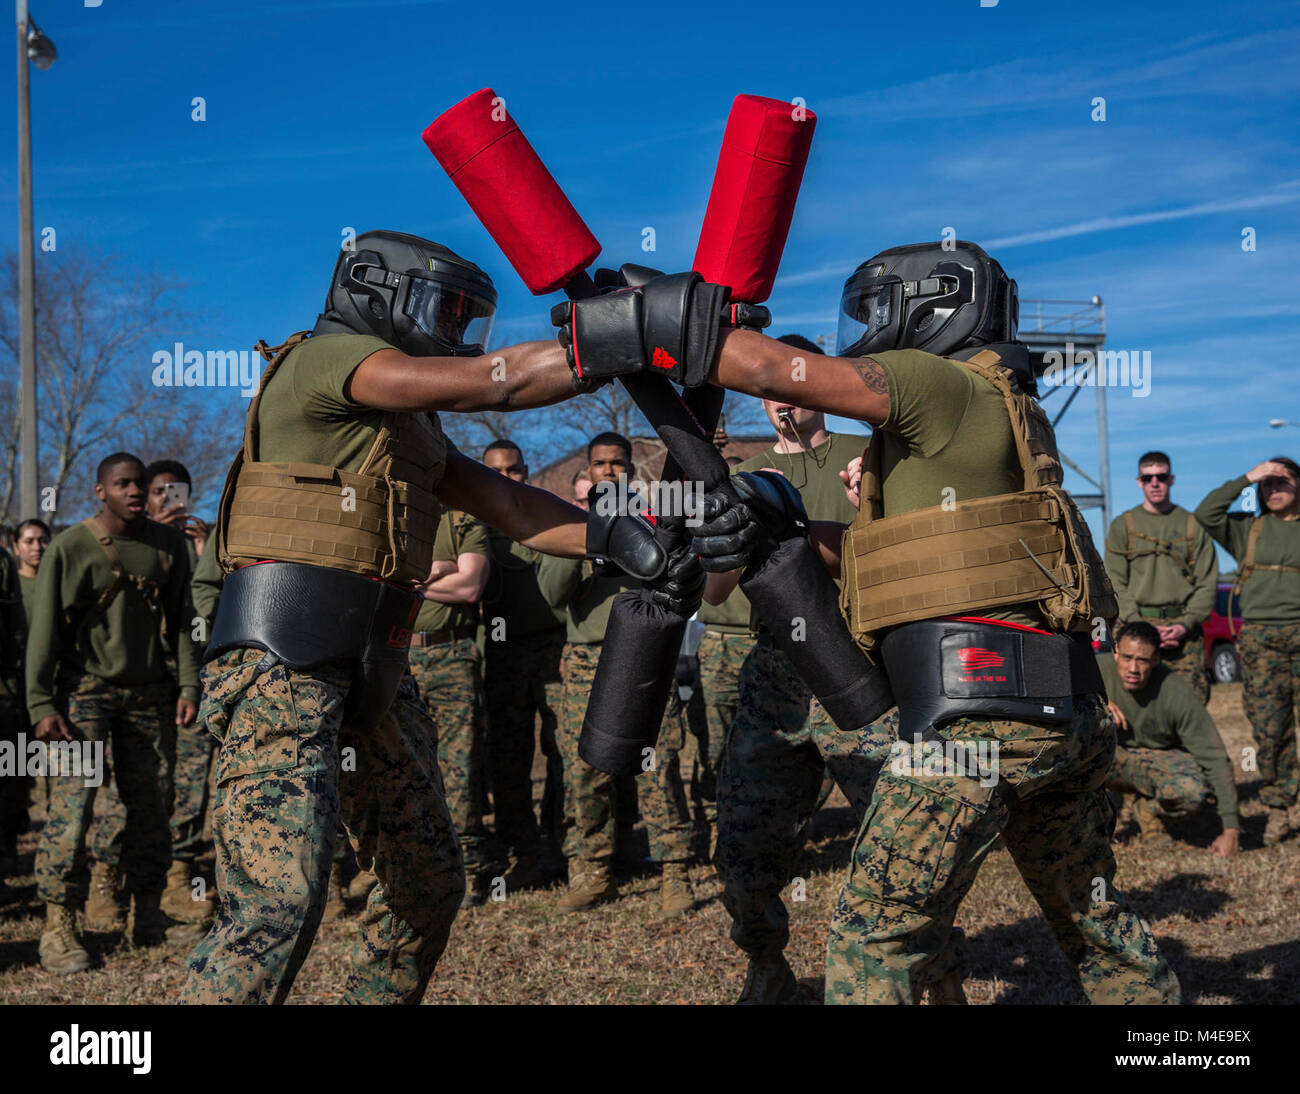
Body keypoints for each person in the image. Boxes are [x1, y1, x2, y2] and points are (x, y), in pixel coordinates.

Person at [557, 241, 1179, 1004]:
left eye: (876, 309)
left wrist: (642, 315)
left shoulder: (935, 381)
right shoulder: (1007, 405)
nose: (869, 329)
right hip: (1054, 702)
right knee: (1094, 922)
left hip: (975, 717)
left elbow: (757, 367)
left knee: (874, 931)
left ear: (931, 306)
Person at [181, 230, 696, 1004]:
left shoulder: (409, 426)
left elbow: (513, 506)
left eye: (468, 319)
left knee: (426, 884)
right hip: (279, 665)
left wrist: (619, 539)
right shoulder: (330, 358)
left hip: (375, 668)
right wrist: (623, 338)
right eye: (445, 311)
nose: (456, 333)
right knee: (275, 905)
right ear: (375, 291)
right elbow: (497, 381)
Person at [699, 352, 891, 1004]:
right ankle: (765, 966)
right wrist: (727, 537)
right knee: (744, 845)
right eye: (770, 393)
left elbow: (887, 554)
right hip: (774, 672)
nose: (782, 401)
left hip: (860, 663)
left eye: (792, 387)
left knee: (898, 841)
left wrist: (804, 533)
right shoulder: (748, 473)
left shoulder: (867, 455)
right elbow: (716, 593)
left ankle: (921, 974)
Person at [26, 453, 200, 973]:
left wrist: (189, 683)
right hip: (84, 694)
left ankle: (147, 914)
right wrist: (40, 702)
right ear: (99, 490)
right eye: (122, 484)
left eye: (139, 484)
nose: (133, 491)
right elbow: (44, 630)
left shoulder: (168, 545)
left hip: (149, 693)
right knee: (71, 809)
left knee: (151, 805)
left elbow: (186, 618)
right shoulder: (70, 546)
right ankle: (59, 926)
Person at [537, 432, 696, 916]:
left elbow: (678, 580)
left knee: (658, 763)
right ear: (587, 472)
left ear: (630, 468)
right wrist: (590, 539)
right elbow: (550, 593)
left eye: (618, 463)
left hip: (644, 652)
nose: (609, 471)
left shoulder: (652, 518)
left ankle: (675, 873)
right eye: (600, 464)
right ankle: (594, 871)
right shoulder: (569, 521)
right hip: (586, 658)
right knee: (585, 770)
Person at [92, 460, 220, 930]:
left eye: (175, 490)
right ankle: (107, 880)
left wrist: (202, 551)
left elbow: (208, 613)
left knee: (187, 781)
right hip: (139, 678)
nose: (166, 499)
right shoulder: (128, 541)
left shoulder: (200, 543)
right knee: (129, 784)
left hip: (190, 675)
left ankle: (177, 877)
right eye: (157, 491)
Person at [1196, 456, 1300, 845]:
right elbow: (1207, 512)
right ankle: (1279, 810)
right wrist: (1247, 477)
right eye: (1267, 485)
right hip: (1260, 641)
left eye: (1283, 482)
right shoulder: (1248, 530)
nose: (1274, 490)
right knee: (1270, 730)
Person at [479, 439, 567, 888]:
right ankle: (522, 853)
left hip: (553, 650)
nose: (506, 478)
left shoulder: (547, 514)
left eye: (514, 470)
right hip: (503, 655)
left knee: (562, 755)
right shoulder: (476, 527)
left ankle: (559, 847)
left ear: (526, 470)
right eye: (496, 471)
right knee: (509, 761)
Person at [405, 507, 500, 906]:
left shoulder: (464, 520)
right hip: (398, 657)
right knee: (403, 767)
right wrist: (435, 572)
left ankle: (469, 872)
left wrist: (410, 581)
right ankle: (413, 870)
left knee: (459, 768)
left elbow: (469, 587)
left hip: (452, 653)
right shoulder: (391, 514)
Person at [1101, 621, 1239, 854]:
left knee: (1192, 790)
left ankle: (1148, 811)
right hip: (1108, 755)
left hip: (1158, 760)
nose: (1133, 668)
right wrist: (1096, 703)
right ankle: (1088, 819)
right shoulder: (1092, 673)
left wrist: (1231, 829)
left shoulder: (1176, 691)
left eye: (1142, 660)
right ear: (1115, 652)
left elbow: (1214, 757)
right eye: (1127, 657)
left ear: (1156, 659)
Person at [1105, 452, 1217, 702]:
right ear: (1139, 481)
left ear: (1171, 479)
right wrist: (1140, 625)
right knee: (1132, 702)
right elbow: (1115, 582)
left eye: (1161, 477)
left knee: (1190, 702)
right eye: (1148, 478)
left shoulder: (1192, 525)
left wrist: (1185, 624)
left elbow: (1207, 583)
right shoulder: (1123, 526)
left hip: (1183, 634)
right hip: (1137, 628)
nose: (1155, 483)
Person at [1, 517, 49, 891]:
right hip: (12, 696)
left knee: (27, 778)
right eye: (29, 540)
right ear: (16, 546)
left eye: (42, 540)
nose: (37, 547)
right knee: (12, 776)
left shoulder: (55, 583)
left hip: (45, 696)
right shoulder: (10, 583)